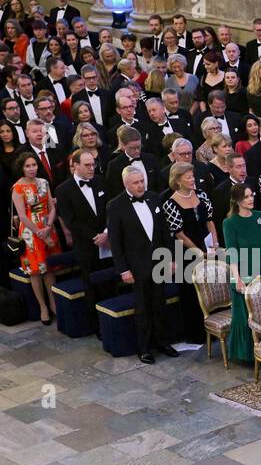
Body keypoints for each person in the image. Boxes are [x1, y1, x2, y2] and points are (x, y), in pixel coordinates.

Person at [107, 164, 177, 363]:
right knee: (143, 308)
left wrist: (171, 257)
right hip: (136, 266)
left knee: (160, 304)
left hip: (159, 261)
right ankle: (144, 348)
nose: (140, 186)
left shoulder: (154, 198)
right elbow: (116, 241)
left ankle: (162, 342)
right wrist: (123, 270)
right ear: (125, 184)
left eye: (142, 182)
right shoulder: (115, 205)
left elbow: (165, 232)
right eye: (135, 183)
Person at [222, 181, 261, 366]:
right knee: (248, 314)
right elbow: (232, 252)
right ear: (237, 200)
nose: (251, 198)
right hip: (244, 271)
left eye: (252, 194)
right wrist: (237, 279)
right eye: (246, 196)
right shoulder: (230, 223)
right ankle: (249, 355)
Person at [161, 161, 215, 343]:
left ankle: (214, 330)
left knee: (211, 288)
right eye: (188, 177)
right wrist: (199, 252)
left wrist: (214, 243)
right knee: (192, 294)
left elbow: (210, 220)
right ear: (177, 180)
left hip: (207, 247)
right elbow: (179, 234)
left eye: (193, 176)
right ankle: (196, 334)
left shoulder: (201, 194)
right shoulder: (170, 203)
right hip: (186, 253)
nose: (193, 179)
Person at [55, 149, 110, 330]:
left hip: (108, 241)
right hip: (86, 245)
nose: (91, 168)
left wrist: (106, 233)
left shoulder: (101, 182)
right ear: (75, 165)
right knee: (91, 284)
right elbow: (71, 220)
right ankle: (97, 326)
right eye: (87, 165)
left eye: (93, 164)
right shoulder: (63, 190)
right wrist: (95, 237)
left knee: (109, 280)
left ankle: (110, 322)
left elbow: (110, 209)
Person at [10, 150, 58, 324]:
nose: (32, 169)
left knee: (50, 269)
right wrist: (40, 233)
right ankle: (43, 307)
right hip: (31, 233)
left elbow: (51, 207)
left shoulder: (44, 182)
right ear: (21, 168)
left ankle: (53, 303)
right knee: (35, 271)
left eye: (34, 165)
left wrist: (48, 226)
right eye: (28, 166)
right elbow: (22, 216)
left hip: (48, 227)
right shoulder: (17, 188)